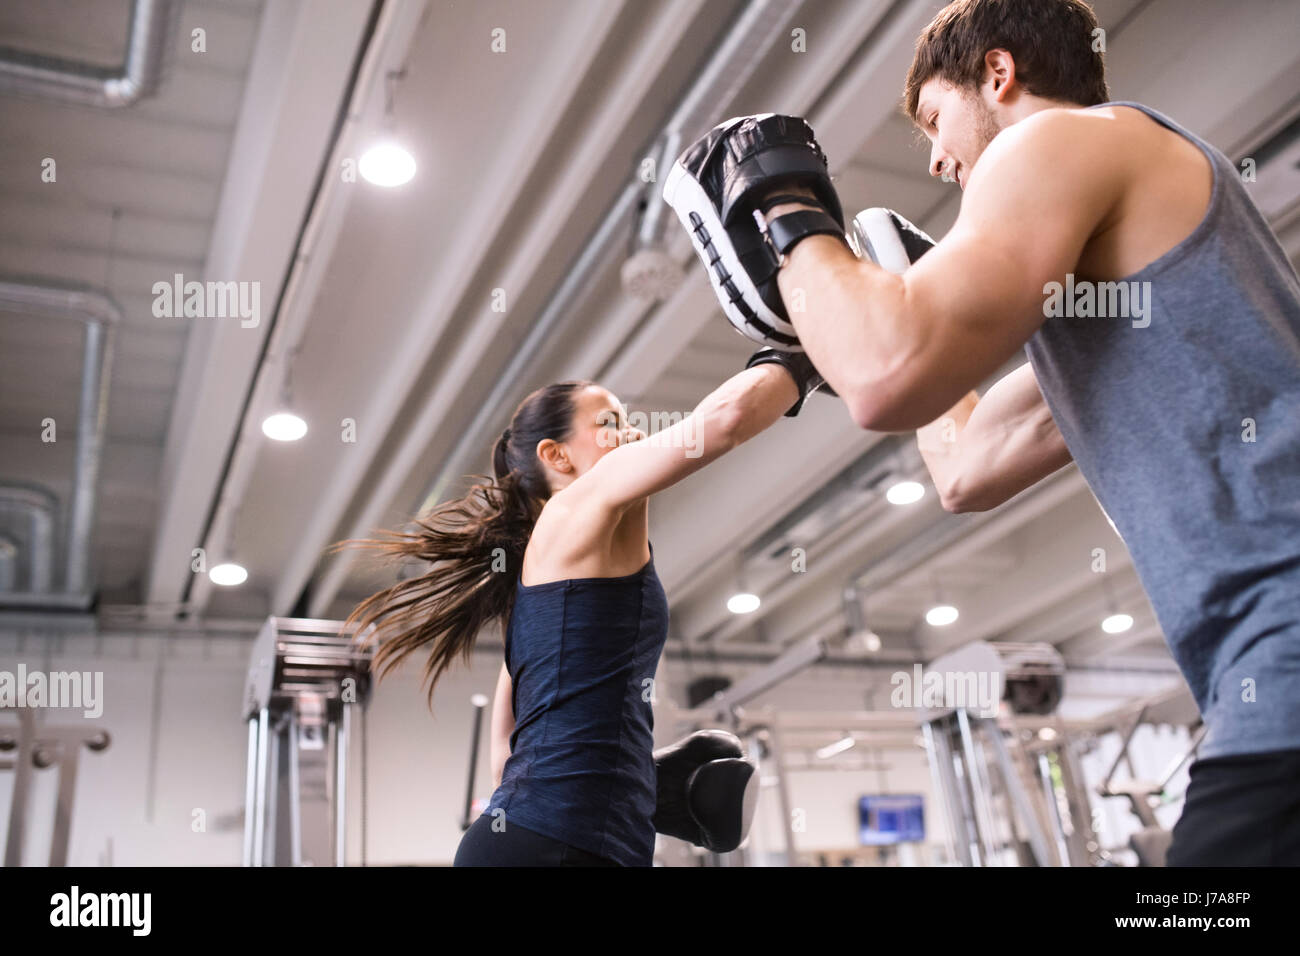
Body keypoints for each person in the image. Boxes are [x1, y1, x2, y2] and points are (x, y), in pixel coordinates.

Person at [664, 0, 1300, 865]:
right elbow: (965, 466)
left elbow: (887, 373)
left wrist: (783, 209)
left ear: (997, 75)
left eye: (935, 118)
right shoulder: (1112, 320)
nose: (933, 154)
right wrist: (882, 299)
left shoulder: (1064, 139)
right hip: (1254, 669)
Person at [331, 351, 828, 866]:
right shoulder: (575, 507)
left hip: (540, 842)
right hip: (557, 847)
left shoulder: (537, 592)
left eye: (630, 419)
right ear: (558, 456)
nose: (633, 432)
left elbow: (508, 763)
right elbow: (722, 422)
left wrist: (641, 784)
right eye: (611, 423)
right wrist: (807, 356)